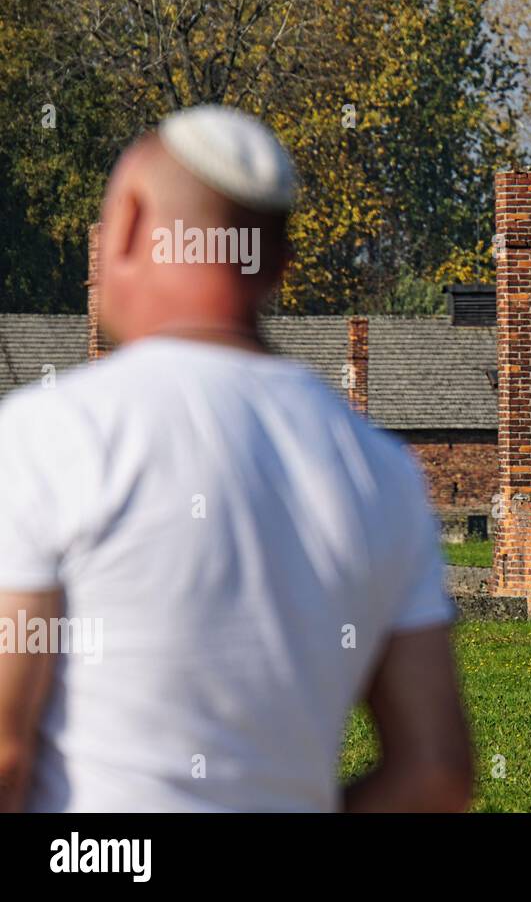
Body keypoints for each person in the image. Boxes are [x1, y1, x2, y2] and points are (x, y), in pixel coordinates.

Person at [0, 105, 473, 812]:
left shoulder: (49, 436)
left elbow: (6, 751)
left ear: (127, 223)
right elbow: (435, 771)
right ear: (277, 264)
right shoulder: (379, 470)